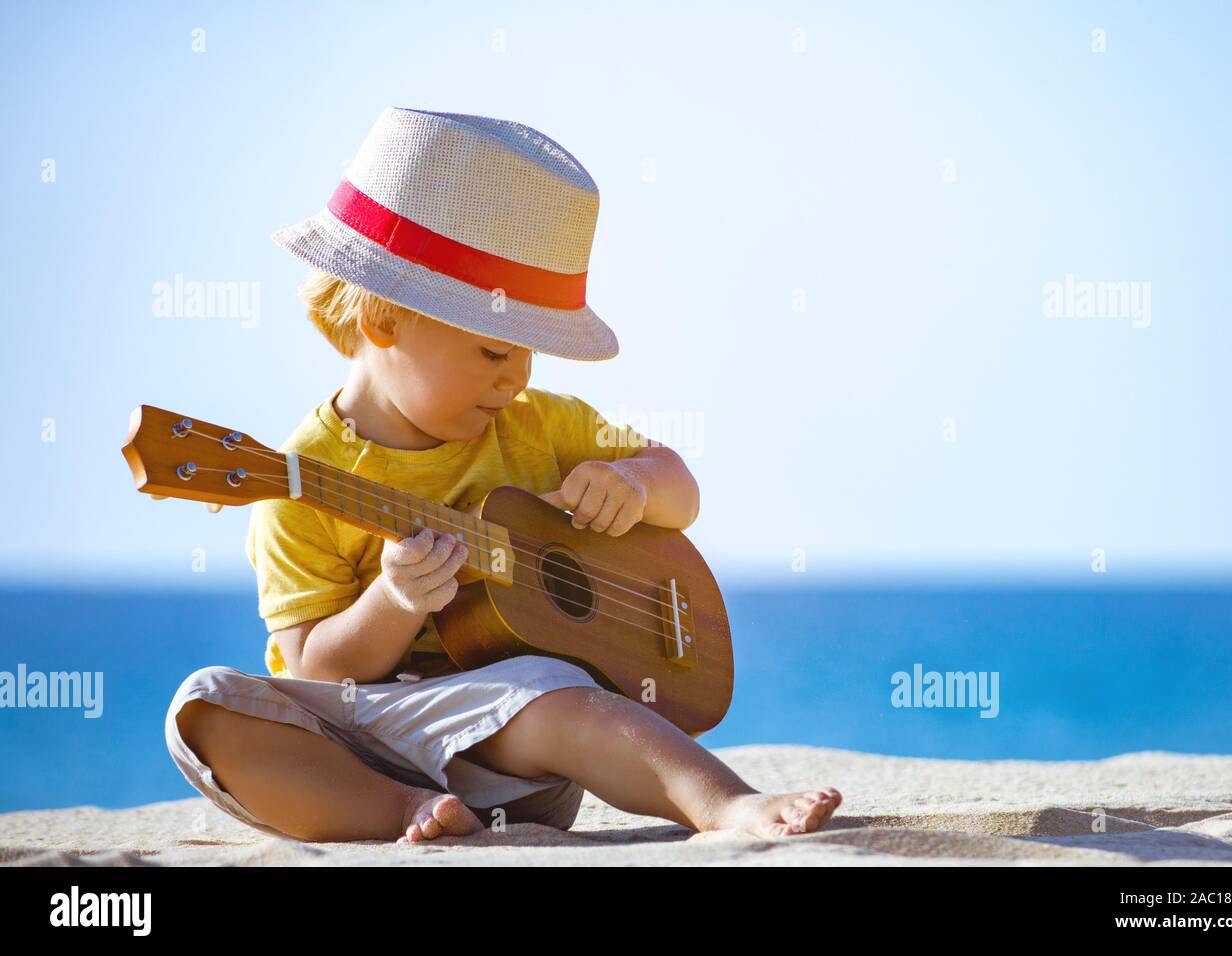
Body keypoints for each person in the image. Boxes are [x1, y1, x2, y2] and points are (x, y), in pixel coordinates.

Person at [163, 108, 842, 844]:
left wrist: (639, 484)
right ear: (385, 318)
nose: (515, 376)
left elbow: (682, 488)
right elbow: (320, 674)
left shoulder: (541, 424)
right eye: (494, 351)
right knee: (202, 708)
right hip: (368, 746)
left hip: (521, 742)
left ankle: (726, 806)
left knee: (559, 692)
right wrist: (393, 601)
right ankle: (409, 815)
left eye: (529, 352)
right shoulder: (298, 483)